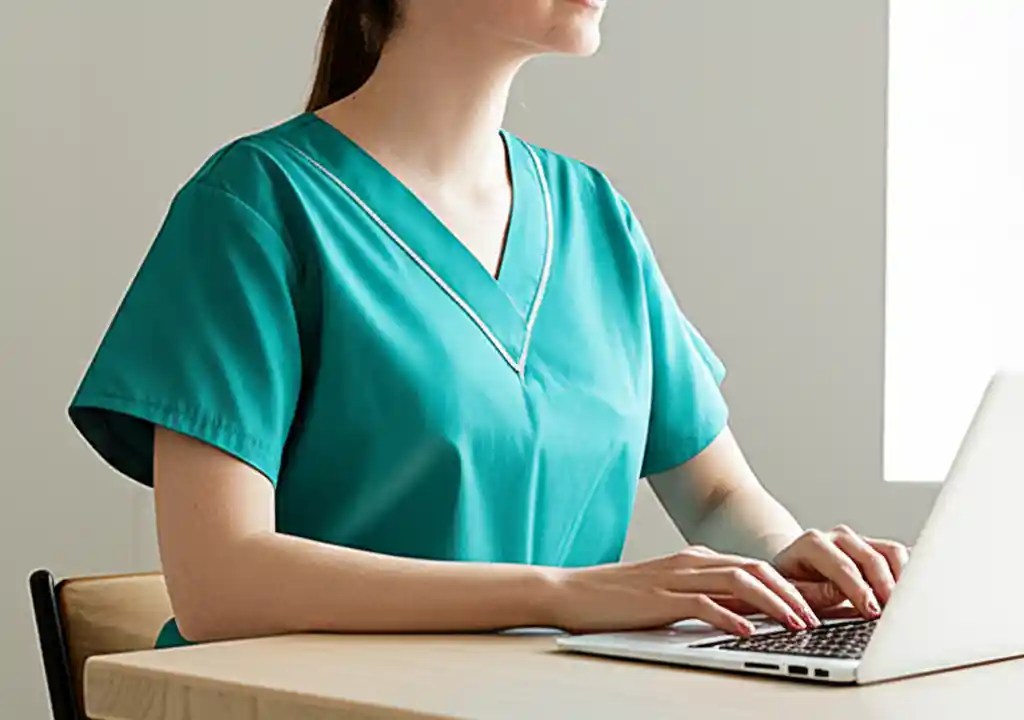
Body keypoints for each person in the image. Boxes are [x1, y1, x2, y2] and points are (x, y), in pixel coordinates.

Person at [69, 0, 908, 648]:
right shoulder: (256, 206)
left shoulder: (592, 215)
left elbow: (716, 492)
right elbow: (221, 586)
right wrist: (561, 596)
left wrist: (788, 557)